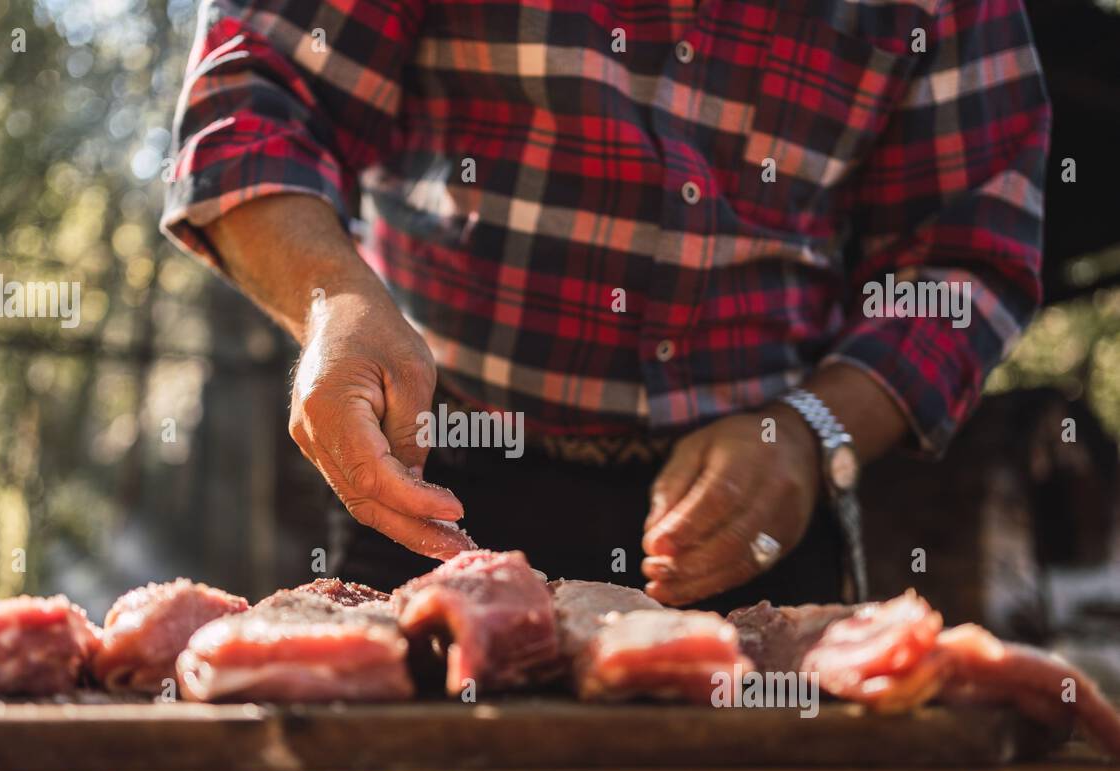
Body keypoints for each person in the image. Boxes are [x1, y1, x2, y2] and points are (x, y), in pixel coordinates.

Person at [161, 0, 1049, 611]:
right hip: (434, 489)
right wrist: (333, 301)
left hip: (762, 504)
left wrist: (815, 429)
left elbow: (967, 253)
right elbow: (258, 90)